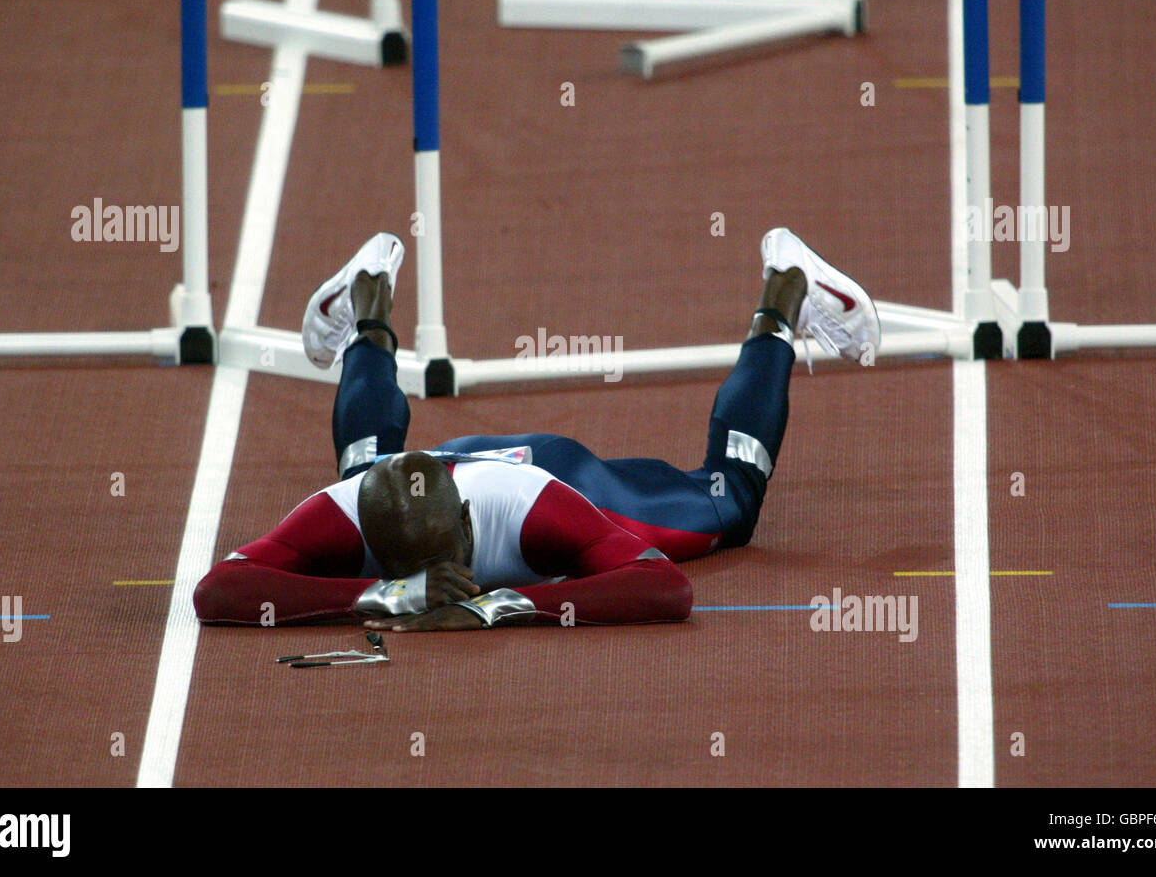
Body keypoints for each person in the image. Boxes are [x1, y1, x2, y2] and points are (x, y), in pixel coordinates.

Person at [192, 228, 880, 631]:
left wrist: (504, 602)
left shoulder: (533, 515)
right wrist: (377, 595)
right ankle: (368, 296)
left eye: (452, 553)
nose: (445, 574)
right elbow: (217, 589)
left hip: (554, 473)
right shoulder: (349, 515)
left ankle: (786, 290)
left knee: (730, 504)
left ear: (466, 523)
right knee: (366, 465)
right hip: (418, 477)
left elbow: (665, 588)